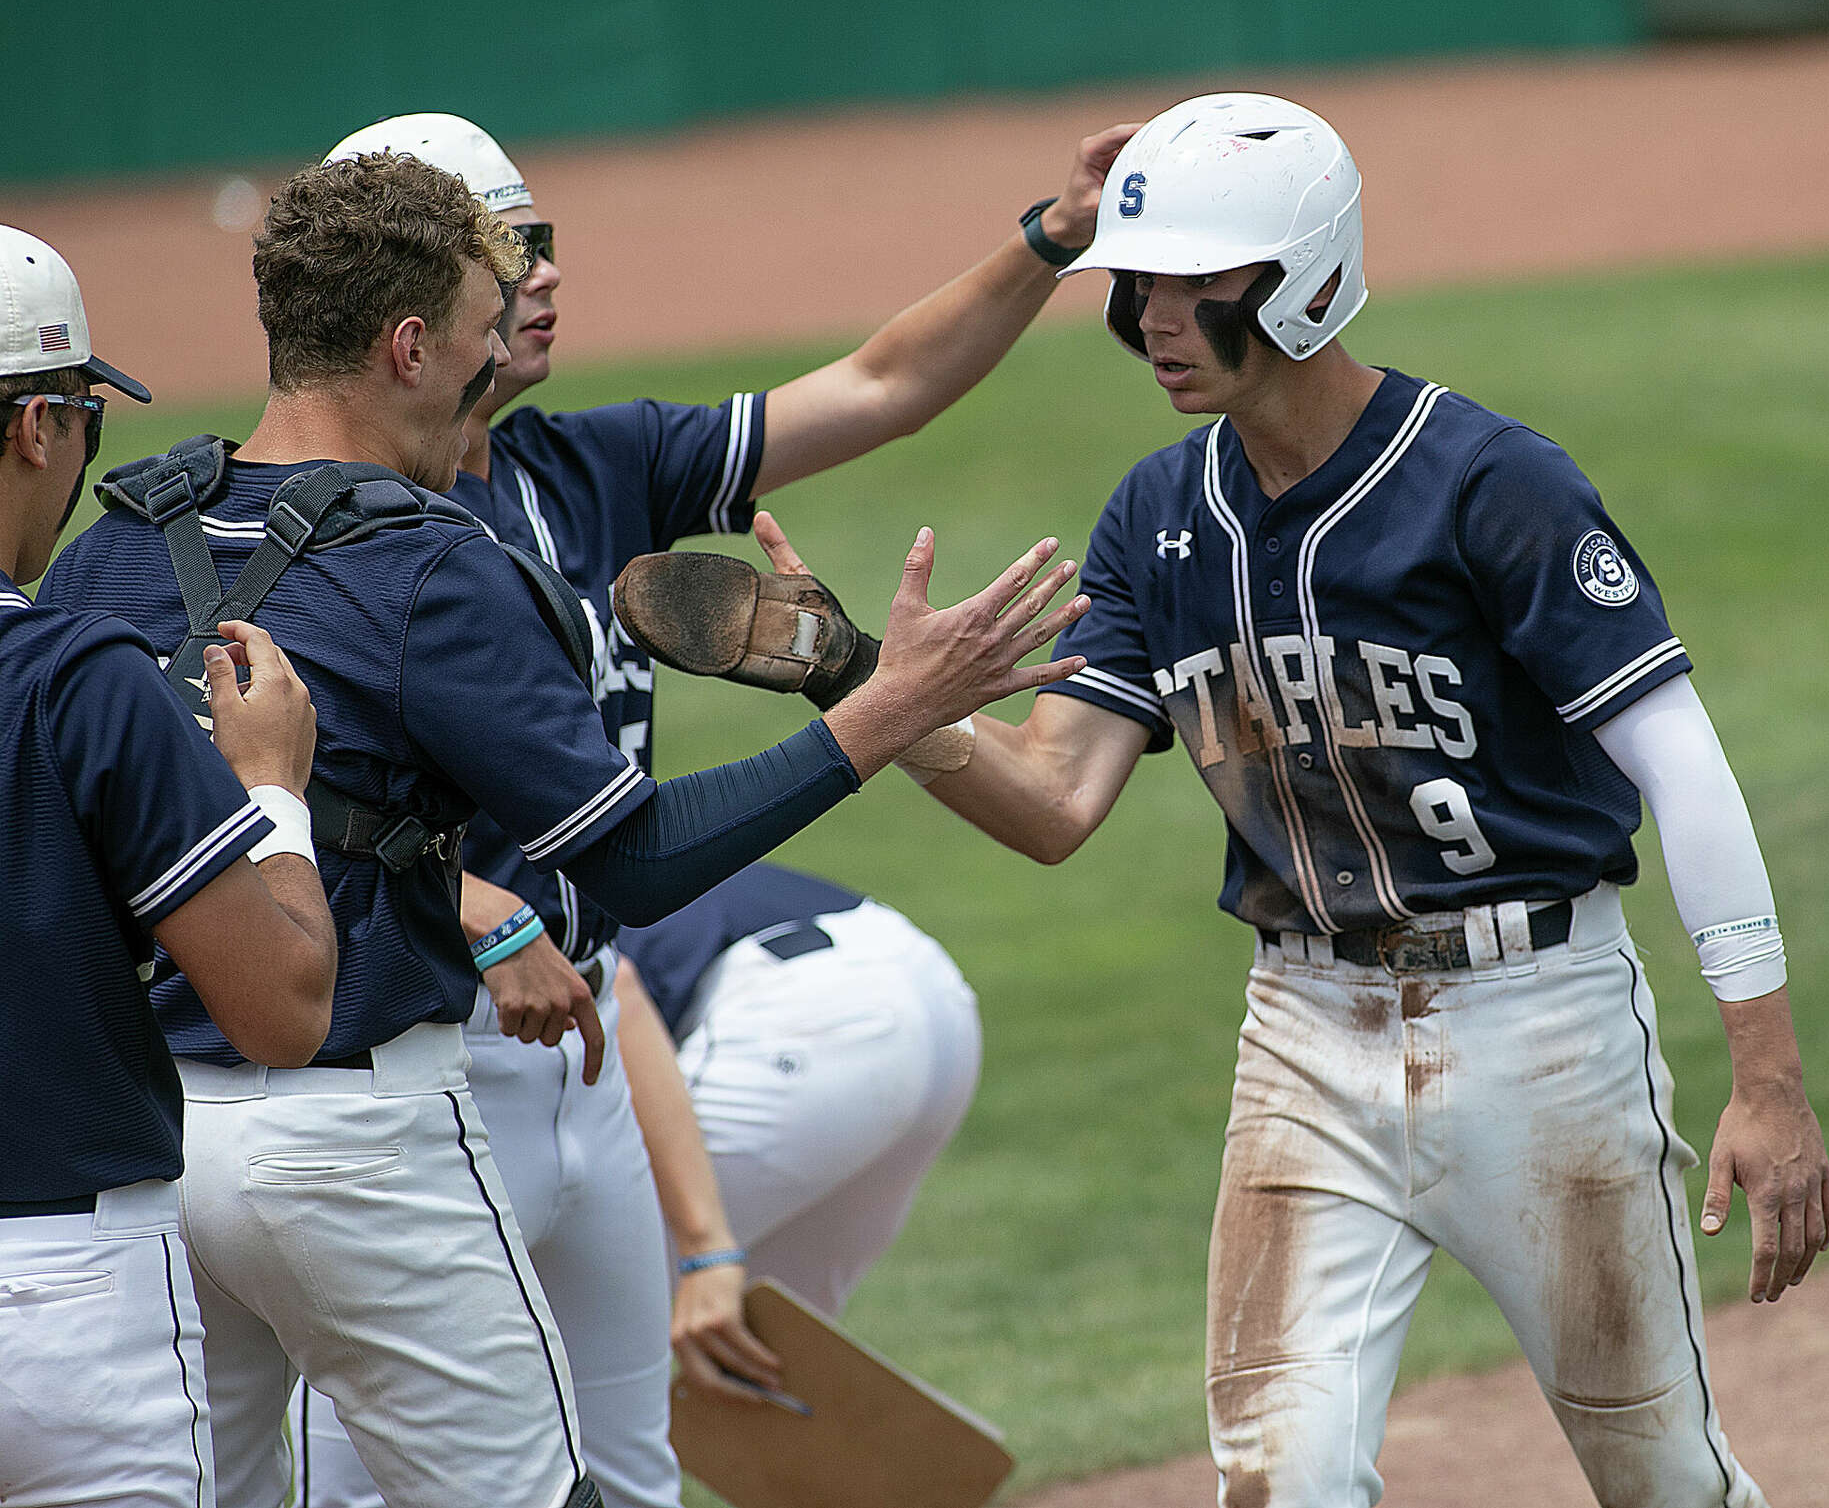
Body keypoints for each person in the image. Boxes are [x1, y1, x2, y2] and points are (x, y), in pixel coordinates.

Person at [752, 94, 1829, 1507]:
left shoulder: (1487, 483)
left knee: (1664, 1482)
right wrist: (867, 685)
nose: (1150, 317)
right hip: (1305, 1037)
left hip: (1544, 1030)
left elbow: (1681, 762)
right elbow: (1052, 798)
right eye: (1138, 284)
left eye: (1191, 281)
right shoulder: (1157, 515)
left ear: (1307, 281)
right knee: (1282, 1482)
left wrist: (1770, 1077)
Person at [40, 153, 1085, 1508]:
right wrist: (880, 712)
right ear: (409, 346)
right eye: (483, 340)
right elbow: (634, 859)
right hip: (360, 1143)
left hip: (159, 1152)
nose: (495, 372)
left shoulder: (113, 544)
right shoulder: (431, 566)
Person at [0, 226, 335, 1508]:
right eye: (85, 416)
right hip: (69, 1309)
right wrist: (274, 792)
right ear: (37, 426)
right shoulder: (80, 678)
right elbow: (284, 1008)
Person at [614, 862, 981, 1331]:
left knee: (567, 1303)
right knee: (774, 1344)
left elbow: (618, 991)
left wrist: (705, 1245)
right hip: (933, 991)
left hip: (801, 1015)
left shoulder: (523, 880)